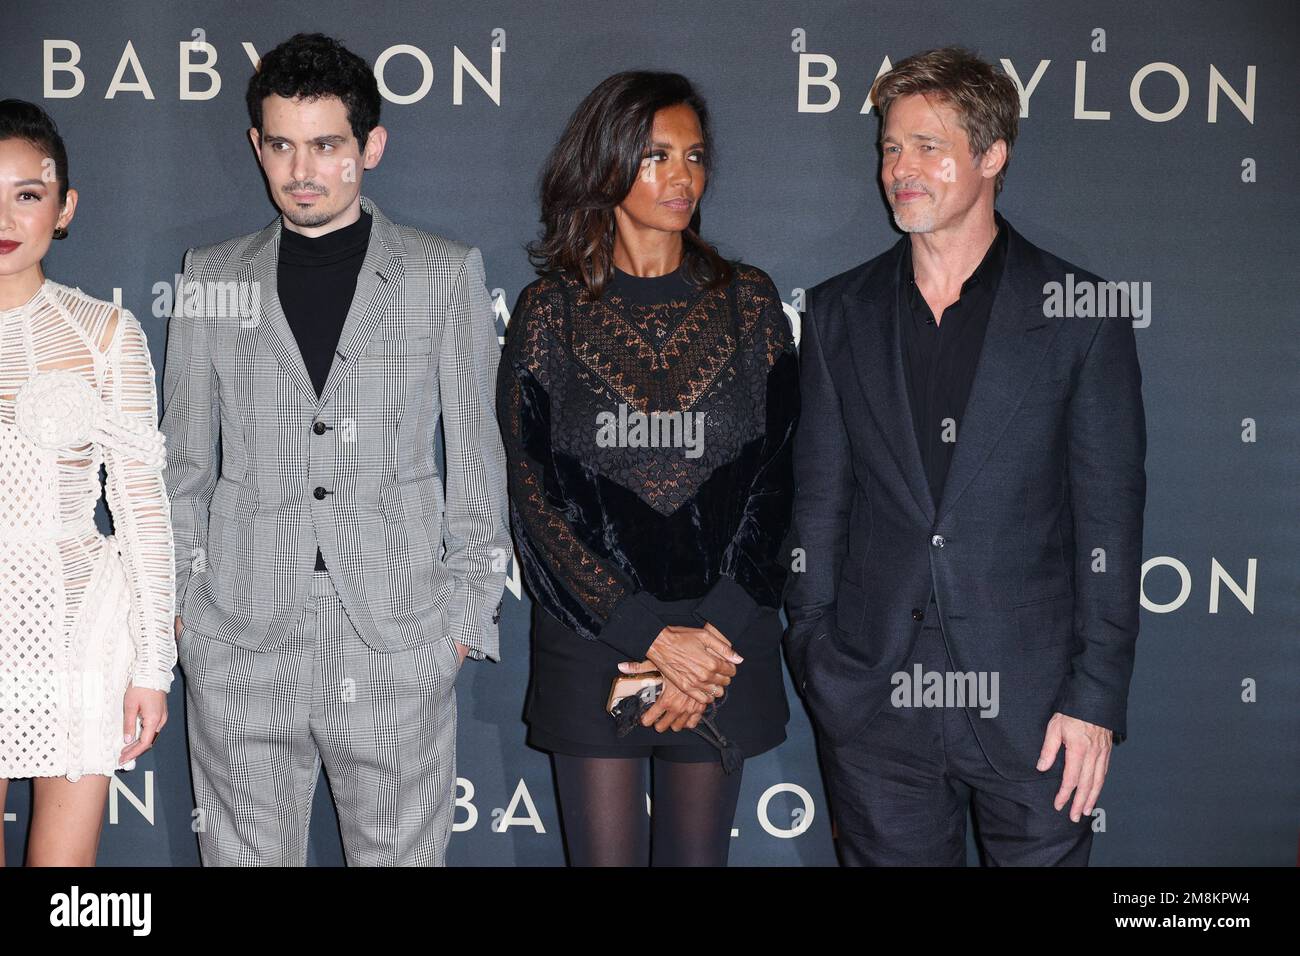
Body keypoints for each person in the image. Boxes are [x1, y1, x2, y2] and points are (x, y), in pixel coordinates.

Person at [787, 47, 1146, 866]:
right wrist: (816, 649)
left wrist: (1094, 701)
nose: (901, 169)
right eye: (889, 147)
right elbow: (820, 500)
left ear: (992, 155)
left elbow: (1109, 522)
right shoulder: (840, 312)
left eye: (928, 146)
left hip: (1037, 715)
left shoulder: (1081, 313)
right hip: (875, 707)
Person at [161, 33, 510, 866]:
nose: (301, 169)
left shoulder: (441, 273)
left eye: (326, 145)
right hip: (241, 633)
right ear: (257, 146)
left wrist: (460, 622)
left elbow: (477, 454)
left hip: (396, 632)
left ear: (371, 147)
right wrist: (186, 615)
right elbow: (179, 465)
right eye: (280, 145)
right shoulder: (209, 274)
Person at [498, 71, 799, 867]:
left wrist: (710, 640)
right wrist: (645, 635)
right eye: (657, 156)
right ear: (606, 165)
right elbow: (533, 498)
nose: (682, 178)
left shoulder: (749, 304)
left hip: (720, 640)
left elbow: (781, 479)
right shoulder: (550, 313)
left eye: (694, 156)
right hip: (599, 636)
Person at [0, 99, 175, 866]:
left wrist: (151, 669)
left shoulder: (104, 333)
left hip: (76, 630)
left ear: (63, 208)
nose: (4, 215)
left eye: (26, 193)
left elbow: (142, 509)